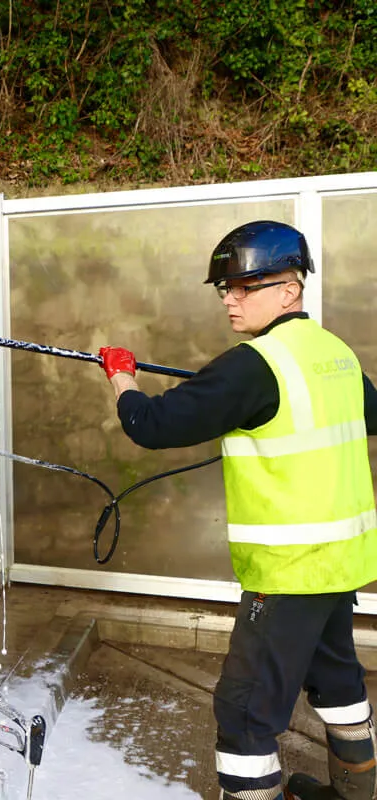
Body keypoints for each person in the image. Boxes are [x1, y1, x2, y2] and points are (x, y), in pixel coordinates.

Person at [99, 220, 377, 800]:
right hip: (339, 565)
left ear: (290, 289)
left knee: (245, 712)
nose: (230, 297)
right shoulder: (335, 355)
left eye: (245, 286)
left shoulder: (252, 365)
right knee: (338, 682)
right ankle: (356, 792)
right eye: (226, 288)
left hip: (287, 570)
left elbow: (149, 424)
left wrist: (121, 377)